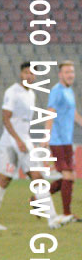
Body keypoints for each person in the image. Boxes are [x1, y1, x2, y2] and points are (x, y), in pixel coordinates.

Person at [0, 62, 61, 231]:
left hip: (16, 140)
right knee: (37, 176)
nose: (29, 76)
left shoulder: (31, 94)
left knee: (5, 179)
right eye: (26, 73)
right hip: (14, 140)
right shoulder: (13, 92)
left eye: (32, 74)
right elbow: (6, 118)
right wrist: (18, 140)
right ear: (21, 74)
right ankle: (53, 218)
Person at [44, 60, 81, 224]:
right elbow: (50, 112)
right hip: (57, 140)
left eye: (72, 72)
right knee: (67, 175)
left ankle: (35, 200)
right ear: (60, 74)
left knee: (71, 176)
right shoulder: (56, 91)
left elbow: (73, 113)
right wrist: (46, 136)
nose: (70, 75)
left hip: (67, 140)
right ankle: (67, 214)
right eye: (67, 72)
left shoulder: (69, 91)